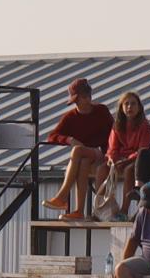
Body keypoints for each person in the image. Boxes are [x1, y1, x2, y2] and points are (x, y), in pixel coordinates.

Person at [42, 78, 112, 221]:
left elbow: (114, 133)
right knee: (83, 161)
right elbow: (51, 136)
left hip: (102, 154)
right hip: (87, 159)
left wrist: (111, 155)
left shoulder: (102, 111)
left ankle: (62, 196)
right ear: (75, 100)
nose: (87, 99)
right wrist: (69, 139)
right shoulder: (70, 117)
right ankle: (79, 211)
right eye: (83, 97)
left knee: (77, 151)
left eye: (88, 95)